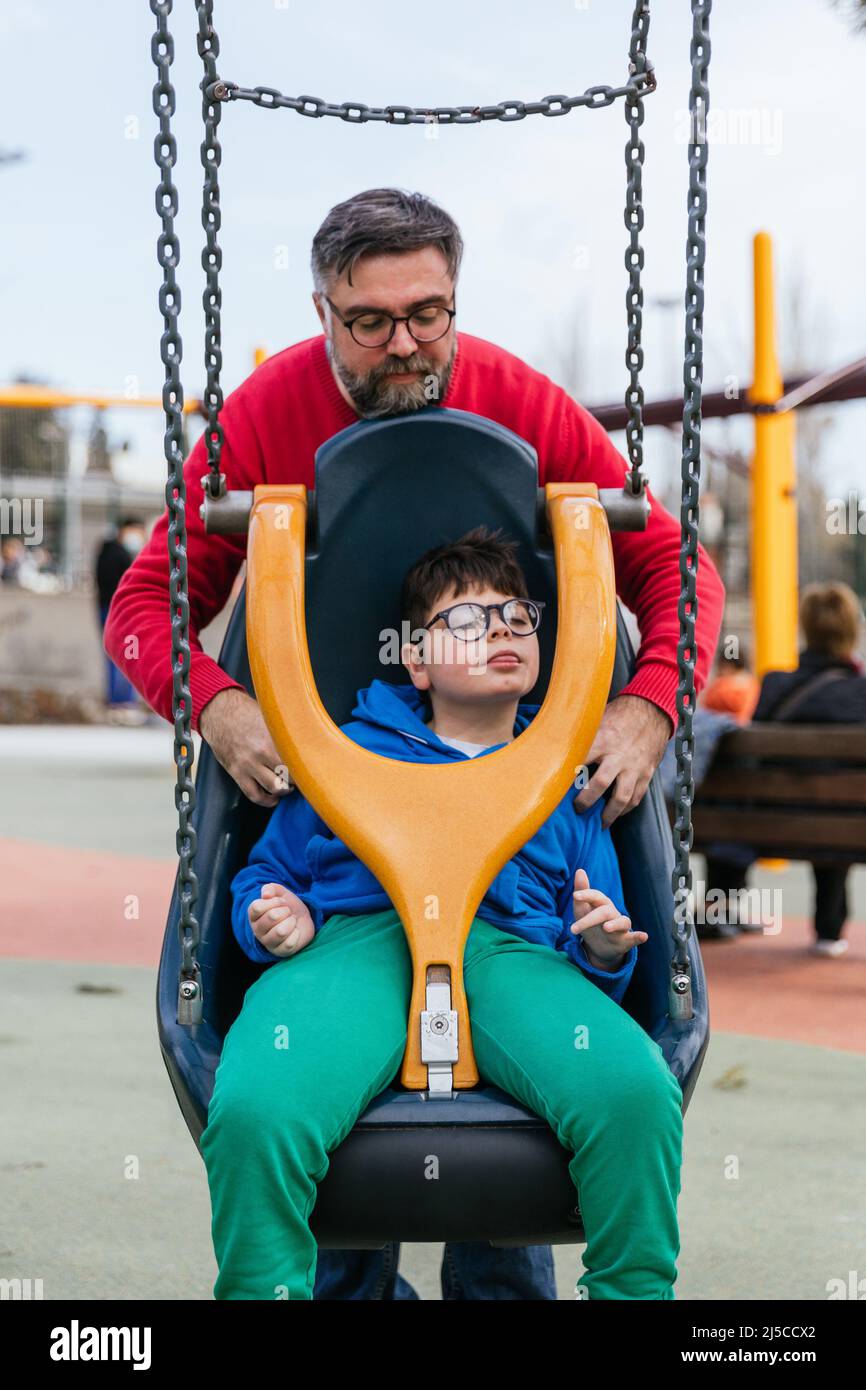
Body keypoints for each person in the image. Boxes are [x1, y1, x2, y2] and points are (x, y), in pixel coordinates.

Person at [104, 187, 725, 1299]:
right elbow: (147, 601)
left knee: (538, 1181)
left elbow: (669, 564)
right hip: (339, 797)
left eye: (428, 313)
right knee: (303, 1131)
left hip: (507, 858)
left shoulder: (517, 400)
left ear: (453, 298)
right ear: (320, 310)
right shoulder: (262, 416)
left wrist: (646, 704)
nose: (404, 344)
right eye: (368, 321)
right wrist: (214, 701)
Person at [200, 527, 684, 1301]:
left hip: (510, 954)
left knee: (635, 1094)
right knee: (259, 1106)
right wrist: (272, 911)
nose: (500, 630)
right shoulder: (343, 755)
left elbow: (598, 923)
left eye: (517, 617)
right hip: (359, 943)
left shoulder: (562, 775)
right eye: (466, 621)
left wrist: (599, 947)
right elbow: (268, 870)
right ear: (416, 661)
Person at [704, 581, 866, 956]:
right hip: (846, 827)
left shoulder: (776, 683)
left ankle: (719, 909)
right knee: (835, 803)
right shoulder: (860, 691)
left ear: (806, 627)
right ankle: (829, 929)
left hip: (766, 823)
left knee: (761, 798)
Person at [94, 518, 148, 718]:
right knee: (127, 655)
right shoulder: (120, 555)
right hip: (121, 611)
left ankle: (116, 703)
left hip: (106, 609)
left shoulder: (105, 552)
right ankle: (123, 703)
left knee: (115, 656)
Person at [700, 648, 760, 724]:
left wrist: (720, 684)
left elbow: (734, 704)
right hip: (719, 719)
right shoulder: (746, 682)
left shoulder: (744, 682)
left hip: (735, 722)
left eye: (722, 666)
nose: (720, 670)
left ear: (730, 665)